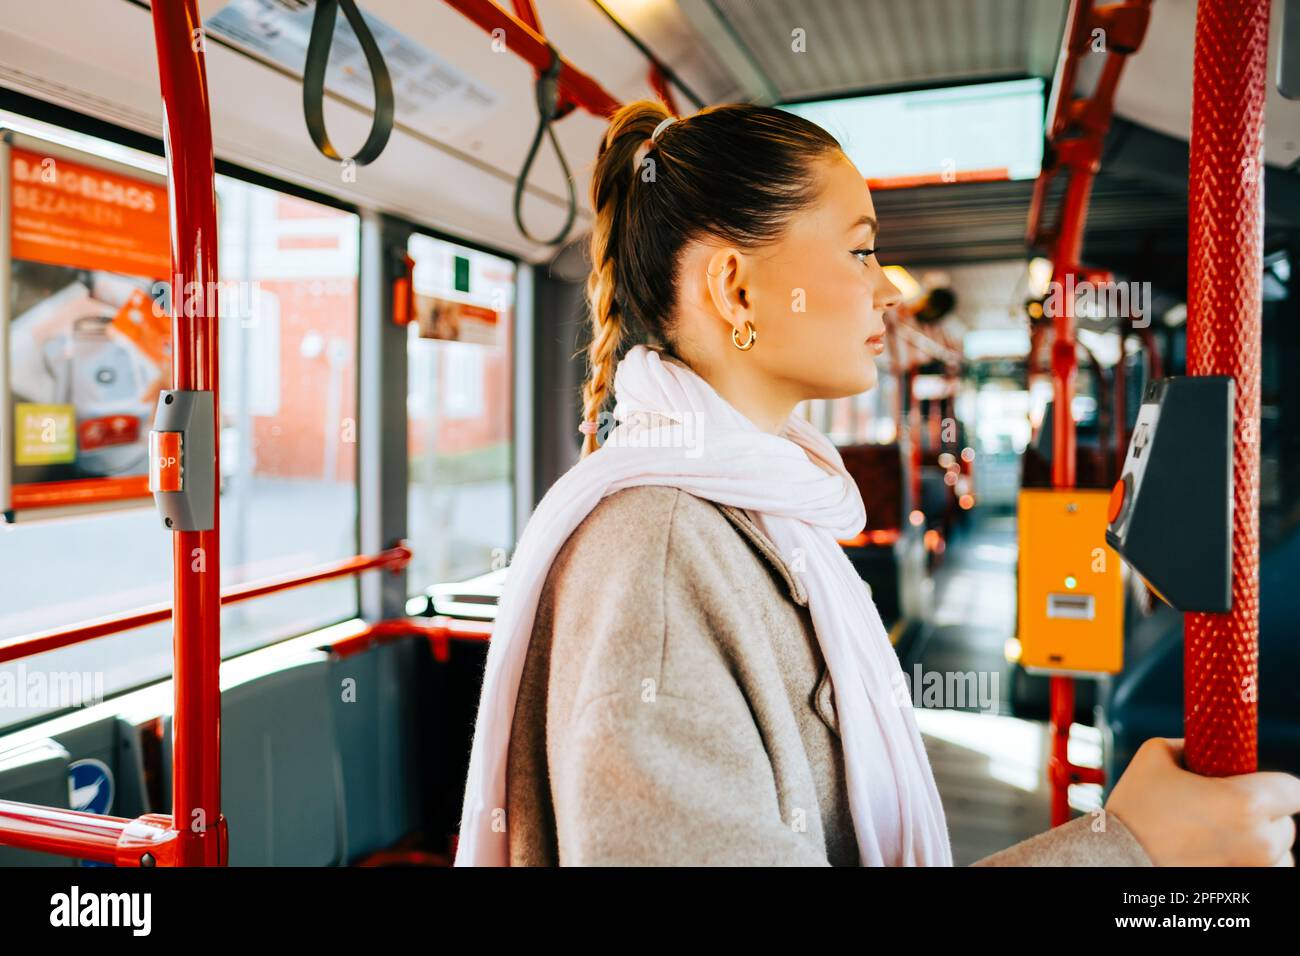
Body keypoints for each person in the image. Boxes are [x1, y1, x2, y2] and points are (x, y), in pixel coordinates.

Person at [454, 100, 1300, 866]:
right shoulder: (659, 558)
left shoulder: (760, 514)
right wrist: (1128, 851)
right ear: (737, 288)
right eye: (860, 250)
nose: (881, 292)